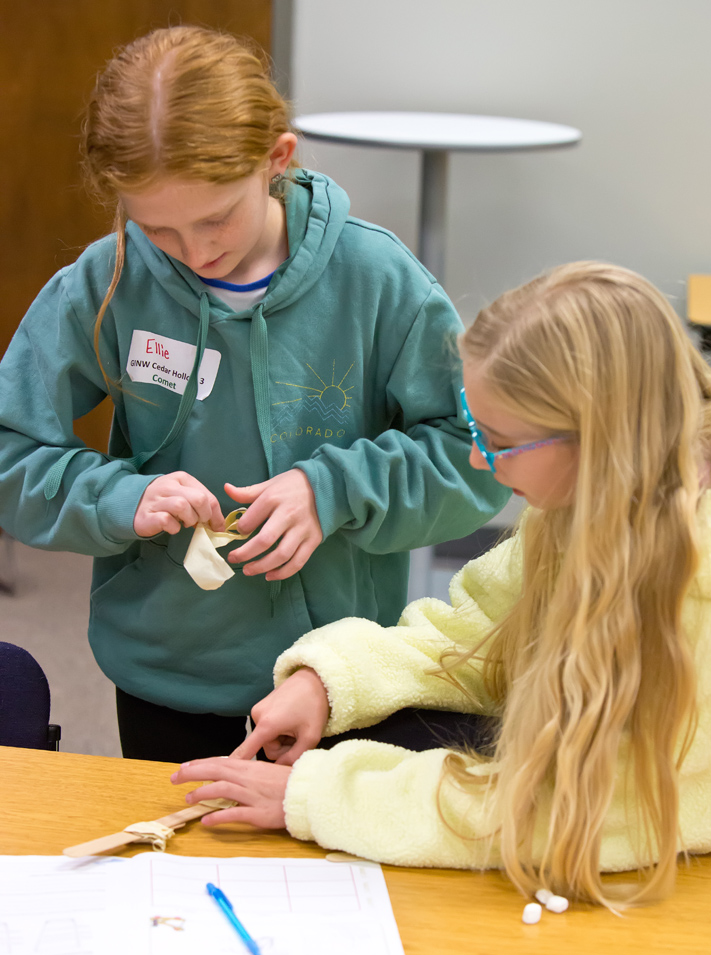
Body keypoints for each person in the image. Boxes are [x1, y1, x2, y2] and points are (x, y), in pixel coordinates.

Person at [0, 27, 508, 762]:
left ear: (277, 158)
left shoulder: (376, 281)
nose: (197, 252)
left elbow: (479, 451)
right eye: (159, 229)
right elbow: (14, 449)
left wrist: (330, 489)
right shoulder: (105, 281)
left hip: (336, 674)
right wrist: (119, 499)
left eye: (216, 218)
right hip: (168, 670)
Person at [172, 262, 711, 909]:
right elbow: (475, 633)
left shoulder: (689, 593)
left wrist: (324, 798)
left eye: (501, 441)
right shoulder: (591, 507)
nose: (480, 459)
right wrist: (329, 677)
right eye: (471, 423)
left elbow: (590, 811)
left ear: (596, 439)